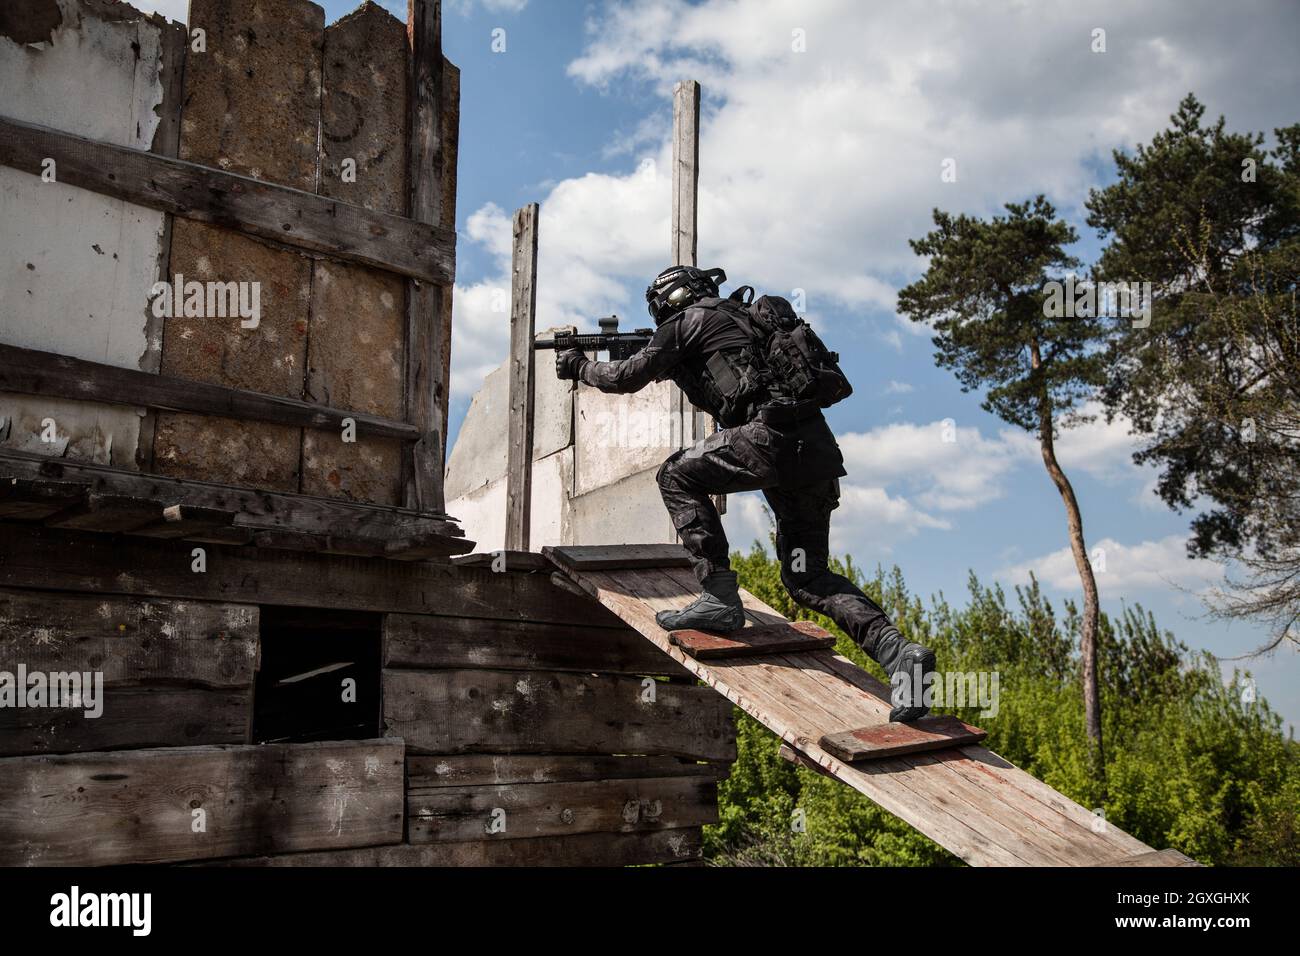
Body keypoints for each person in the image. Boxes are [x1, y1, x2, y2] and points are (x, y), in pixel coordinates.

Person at [555, 265, 936, 721]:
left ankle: (719, 596)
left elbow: (624, 378)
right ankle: (900, 656)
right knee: (807, 577)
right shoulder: (749, 318)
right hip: (813, 451)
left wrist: (579, 364)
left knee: (675, 476)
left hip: (765, 439)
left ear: (669, 299)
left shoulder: (687, 323)